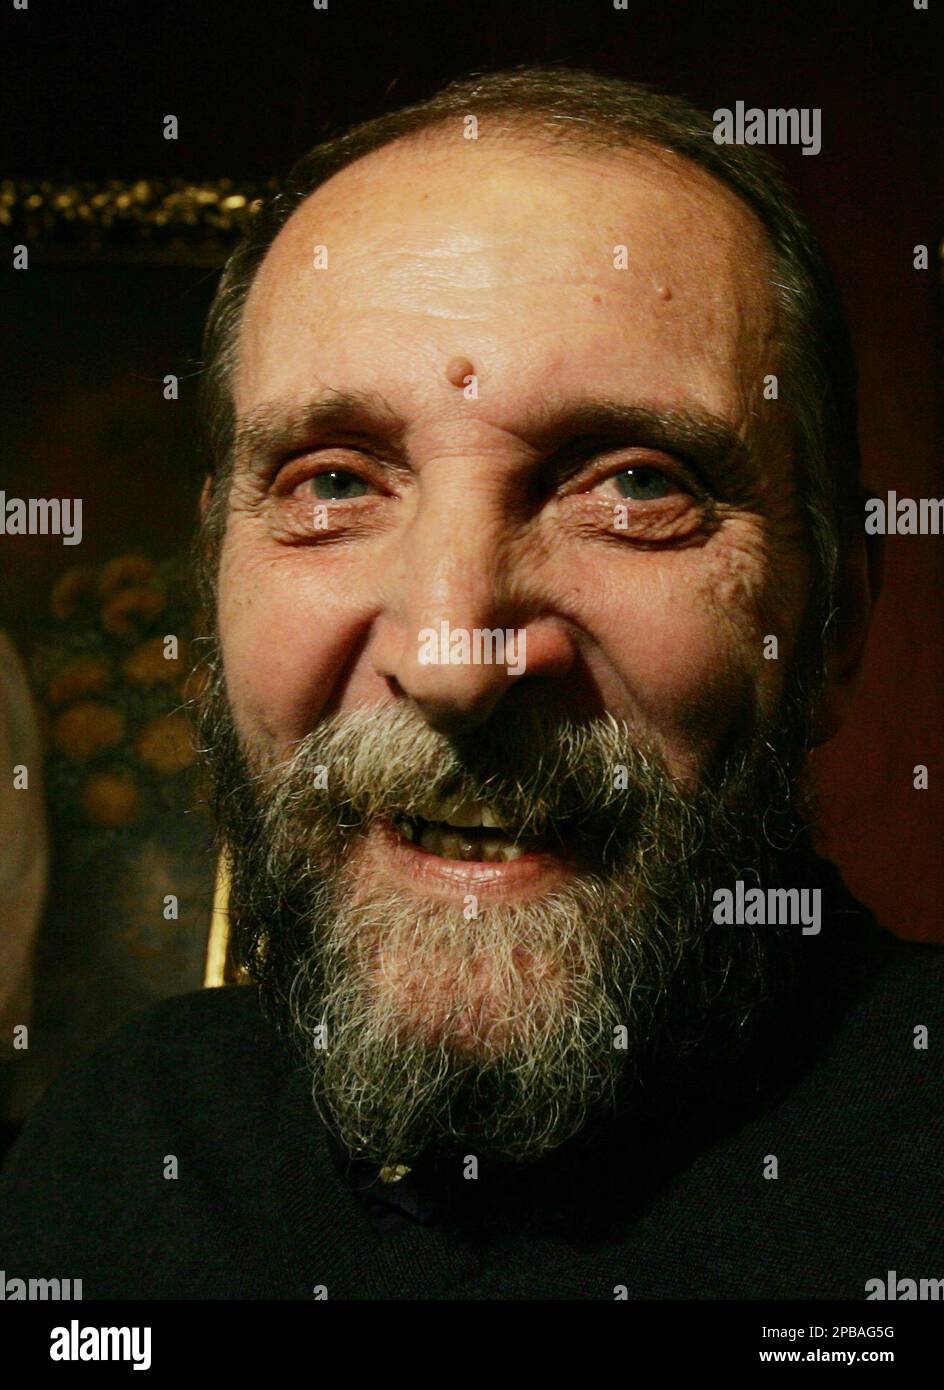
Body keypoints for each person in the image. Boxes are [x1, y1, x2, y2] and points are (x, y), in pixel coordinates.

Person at [1, 65, 941, 1301]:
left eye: (635, 484)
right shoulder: (117, 1149)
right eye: (333, 483)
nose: (451, 660)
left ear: (833, 622)